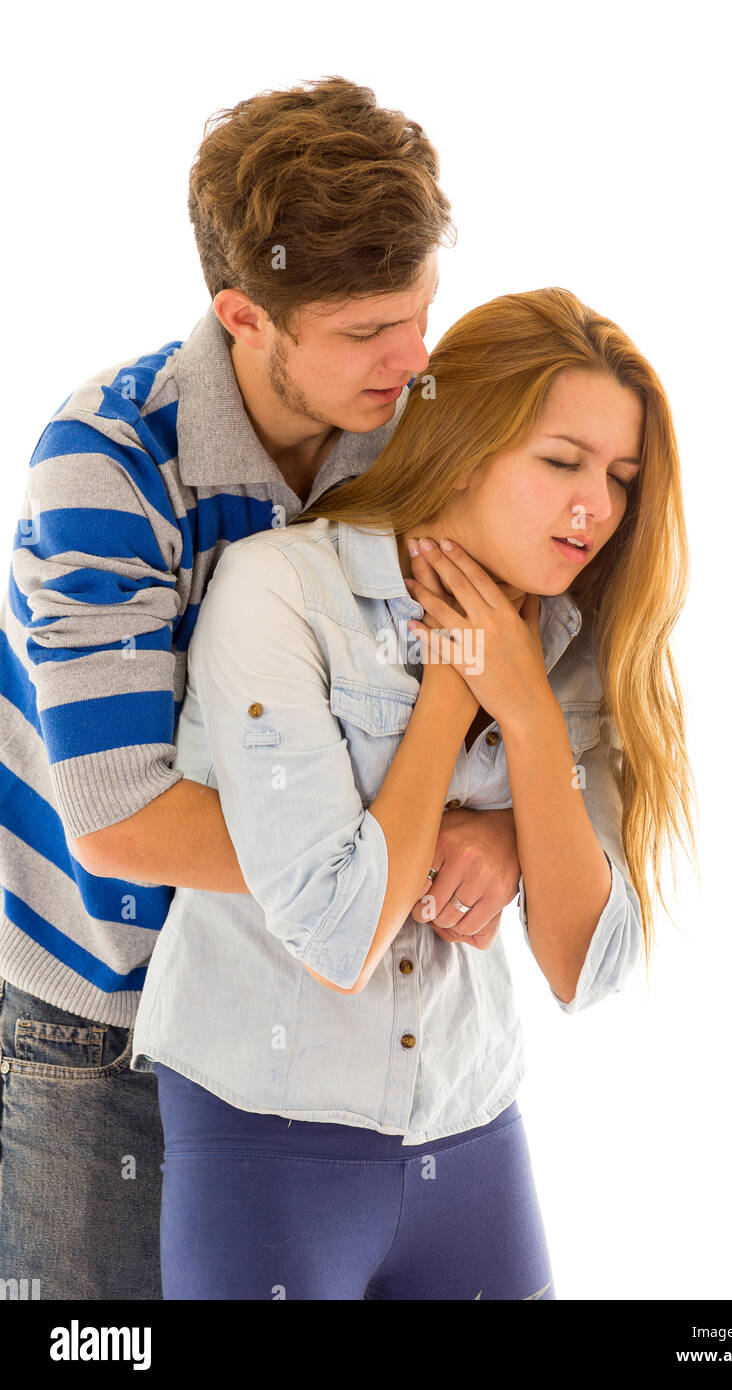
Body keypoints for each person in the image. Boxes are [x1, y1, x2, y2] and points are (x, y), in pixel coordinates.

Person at [0, 78, 523, 1301]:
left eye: (422, 311)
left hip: (311, 1044)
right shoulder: (108, 461)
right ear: (243, 313)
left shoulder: (418, 438)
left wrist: (500, 830)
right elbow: (123, 819)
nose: (414, 361)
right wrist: (388, 867)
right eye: (362, 333)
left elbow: (513, 689)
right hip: (103, 1032)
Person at [129, 285, 697, 1301]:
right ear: (462, 443)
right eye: (562, 462)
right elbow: (339, 930)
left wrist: (525, 723)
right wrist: (452, 685)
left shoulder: (573, 634)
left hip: (473, 1127)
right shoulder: (283, 592)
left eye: (619, 475)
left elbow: (588, 964)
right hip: (265, 1132)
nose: (597, 506)